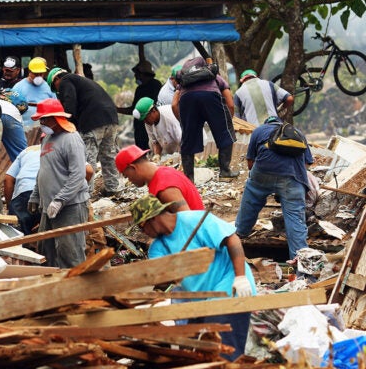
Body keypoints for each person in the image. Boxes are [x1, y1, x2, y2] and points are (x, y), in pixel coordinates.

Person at [128, 194, 256, 360]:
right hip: (201, 301)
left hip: (229, 287)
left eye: (141, 227)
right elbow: (160, 280)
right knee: (195, 351)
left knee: (223, 352)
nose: (143, 232)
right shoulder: (157, 248)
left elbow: (232, 240)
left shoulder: (195, 220)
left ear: (152, 219)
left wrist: (240, 277)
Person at [235, 116, 313, 260]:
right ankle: (299, 267)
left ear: (267, 123)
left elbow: (251, 163)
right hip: (292, 177)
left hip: (263, 172)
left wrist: (260, 181)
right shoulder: (297, 132)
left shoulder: (259, 131)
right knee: (295, 219)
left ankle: (241, 232)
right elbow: (307, 163)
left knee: (251, 197)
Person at [27, 98, 89, 268]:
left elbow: (78, 174)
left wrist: (60, 199)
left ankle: (76, 292)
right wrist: (36, 195)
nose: (41, 123)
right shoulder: (47, 138)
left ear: (55, 118)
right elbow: (44, 169)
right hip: (49, 206)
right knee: (46, 252)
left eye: (44, 119)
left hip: (70, 206)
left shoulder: (71, 139)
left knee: (70, 254)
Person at [47, 67, 120, 197]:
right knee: (108, 155)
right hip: (111, 117)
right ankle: (113, 188)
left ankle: (87, 193)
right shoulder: (82, 81)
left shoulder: (65, 80)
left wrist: (67, 126)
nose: (57, 91)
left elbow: (69, 106)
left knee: (87, 157)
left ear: (56, 79)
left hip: (93, 121)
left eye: (55, 87)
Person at [172, 56, 238, 183]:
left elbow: (174, 104)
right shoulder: (214, 77)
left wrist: (184, 123)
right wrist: (227, 122)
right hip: (210, 97)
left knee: (187, 139)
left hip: (187, 100)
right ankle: (225, 171)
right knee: (225, 133)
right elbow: (230, 103)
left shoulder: (183, 83)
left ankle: (189, 179)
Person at [115, 145, 204, 211]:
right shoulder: (162, 173)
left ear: (133, 168)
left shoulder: (164, 187)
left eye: (127, 176)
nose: (129, 180)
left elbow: (188, 220)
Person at [117, 60, 162, 150]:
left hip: (150, 126)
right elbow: (134, 109)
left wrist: (117, 109)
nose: (135, 76)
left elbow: (153, 107)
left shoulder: (155, 85)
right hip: (140, 128)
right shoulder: (140, 89)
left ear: (142, 74)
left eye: (137, 74)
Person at [4, 144, 41, 235]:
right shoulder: (62, 148)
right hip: (47, 193)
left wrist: (11, 206)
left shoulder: (27, 151)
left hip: (24, 191)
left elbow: (8, 179)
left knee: (15, 235)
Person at [12, 57, 56, 126]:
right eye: (35, 74)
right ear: (29, 72)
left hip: (44, 128)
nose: (38, 77)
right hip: (25, 129)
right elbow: (12, 109)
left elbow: (55, 107)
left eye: (41, 74)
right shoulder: (18, 87)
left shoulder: (49, 87)